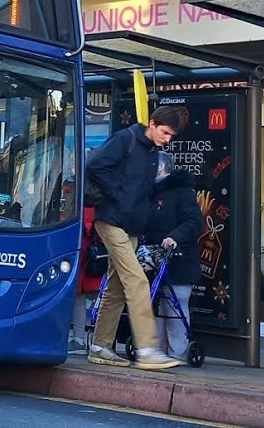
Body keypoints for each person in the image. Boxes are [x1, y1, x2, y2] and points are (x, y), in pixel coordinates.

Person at [84, 104, 186, 370]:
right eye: (165, 132)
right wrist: (118, 196)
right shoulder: (125, 139)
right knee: (137, 281)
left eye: (171, 136)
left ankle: (100, 346)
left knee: (117, 286)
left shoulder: (152, 151)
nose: (167, 139)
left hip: (130, 225)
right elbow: (95, 166)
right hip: (111, 221)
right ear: (151, 123)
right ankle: (148, 349)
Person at [141, 167, 201, 361]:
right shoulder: (153, 192)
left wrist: (174, 236)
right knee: (158, 304)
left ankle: (177, 352)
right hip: (156, 256)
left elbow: (193, 222)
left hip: (178, 257)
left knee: (175, 302)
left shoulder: (182, 193)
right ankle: (158, 350)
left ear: (161, 168)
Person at [69, 204, 103, 353]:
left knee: (80, 298)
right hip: (98, 258)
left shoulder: (85, 206)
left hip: (88, 258)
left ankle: (79, 339)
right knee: (101, 299)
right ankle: (99, 341)